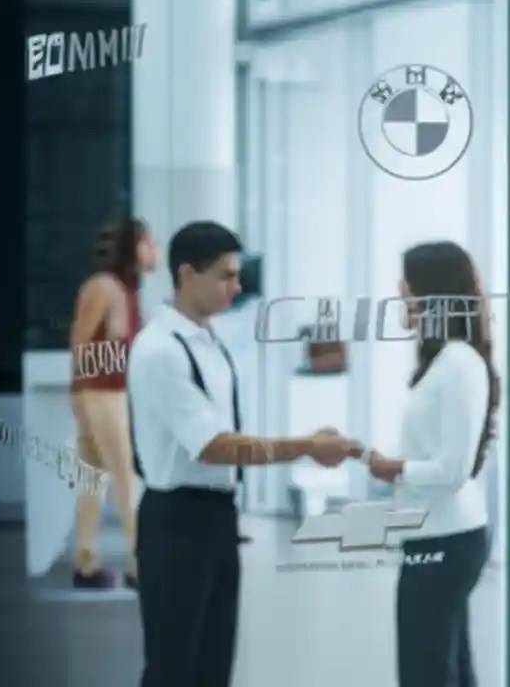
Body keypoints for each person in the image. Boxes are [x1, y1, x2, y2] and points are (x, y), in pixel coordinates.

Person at [127, 221, 360, 687]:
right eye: (226, 276)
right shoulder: (161, 350)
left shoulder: (207, 340)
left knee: (213, 665)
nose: (236, 287)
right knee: (174, 667)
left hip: (215, 518)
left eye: (237, 275)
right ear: (187, 274)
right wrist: (308, 447)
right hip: (176, 522)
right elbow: (214, 445)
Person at [363, 241, 499, 687]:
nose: (400, 294)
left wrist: (394, 468)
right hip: (435, 536)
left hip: (448, 539)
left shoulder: (459, 363)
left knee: (427, 671)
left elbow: (454, 469)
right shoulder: (442, 360)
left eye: (407, 288)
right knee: (447, 667)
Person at [68, 217, 157, 590]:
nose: (155, 250)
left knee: (94, 479)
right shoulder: (106, 287)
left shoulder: (124, 289)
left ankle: (86, 564)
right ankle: (142, 564)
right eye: (148, 243)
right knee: (126, 478)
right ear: (130, 247)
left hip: (104, 392)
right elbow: (80, 341)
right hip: (102, 394)